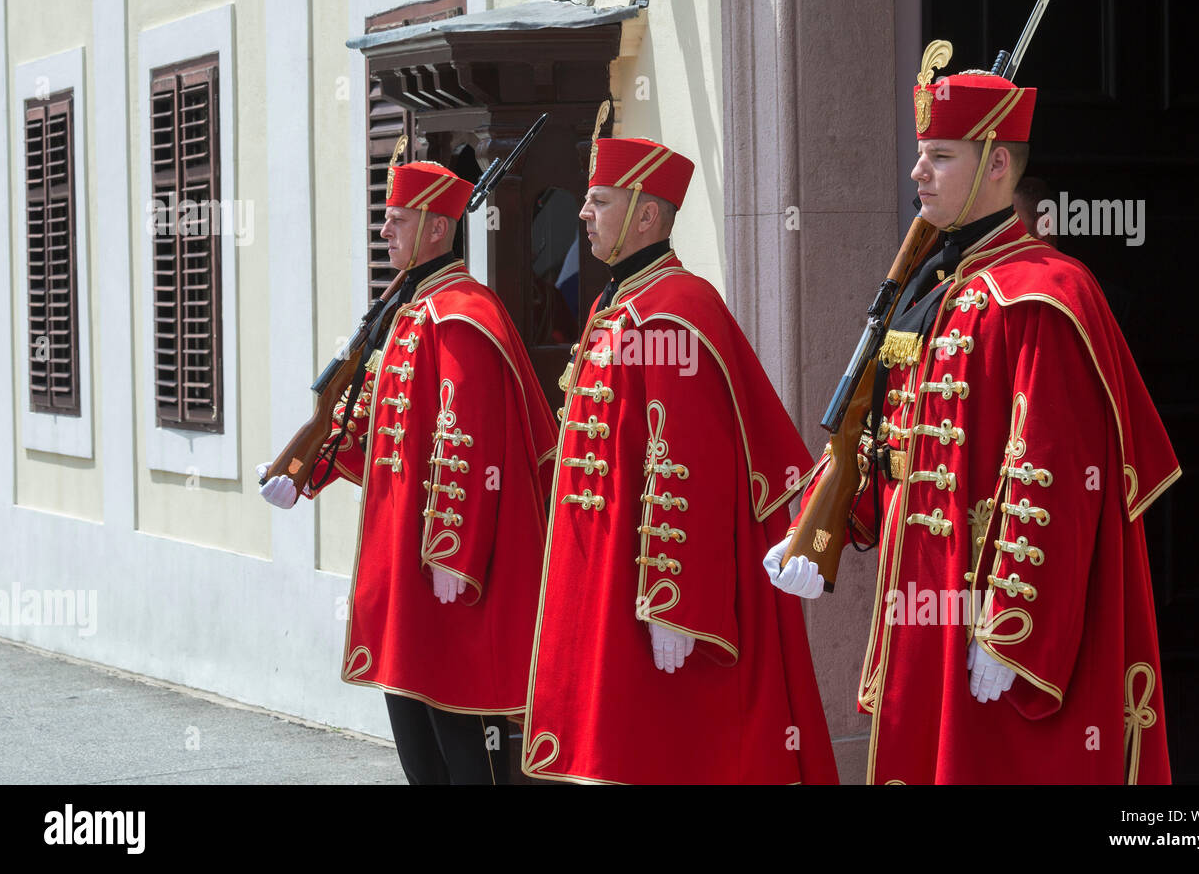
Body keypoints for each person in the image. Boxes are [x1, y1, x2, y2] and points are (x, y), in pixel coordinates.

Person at [766, 42, 1180, 784]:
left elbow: (1052, 474)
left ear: (996, 166)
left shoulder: (1047, 295)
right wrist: (819, 523)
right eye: (920, 154)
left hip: (990, 613)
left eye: (940, 155)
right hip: (922, 600)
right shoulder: (933, 287)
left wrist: (1013, 627)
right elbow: (888, 432)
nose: (918, 171)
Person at [520, 136, 838, 784]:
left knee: (675, 756)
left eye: (598, 200)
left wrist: (679, 604)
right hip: (609, 581)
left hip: (656, 599)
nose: (583, 212)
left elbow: (686, 471)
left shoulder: (675, 311)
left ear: (645, 215)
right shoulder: (619, 303)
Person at [260, 153, 557, 784]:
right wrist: (303, 469)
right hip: (401, 562)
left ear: (435, 228)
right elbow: (371, 426)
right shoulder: (410, 312)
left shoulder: (463, 315)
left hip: (443, 568)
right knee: (416, 732)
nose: (384, 232)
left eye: (396, 220)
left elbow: (465, 446)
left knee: (461, 737)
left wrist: (455, 551)